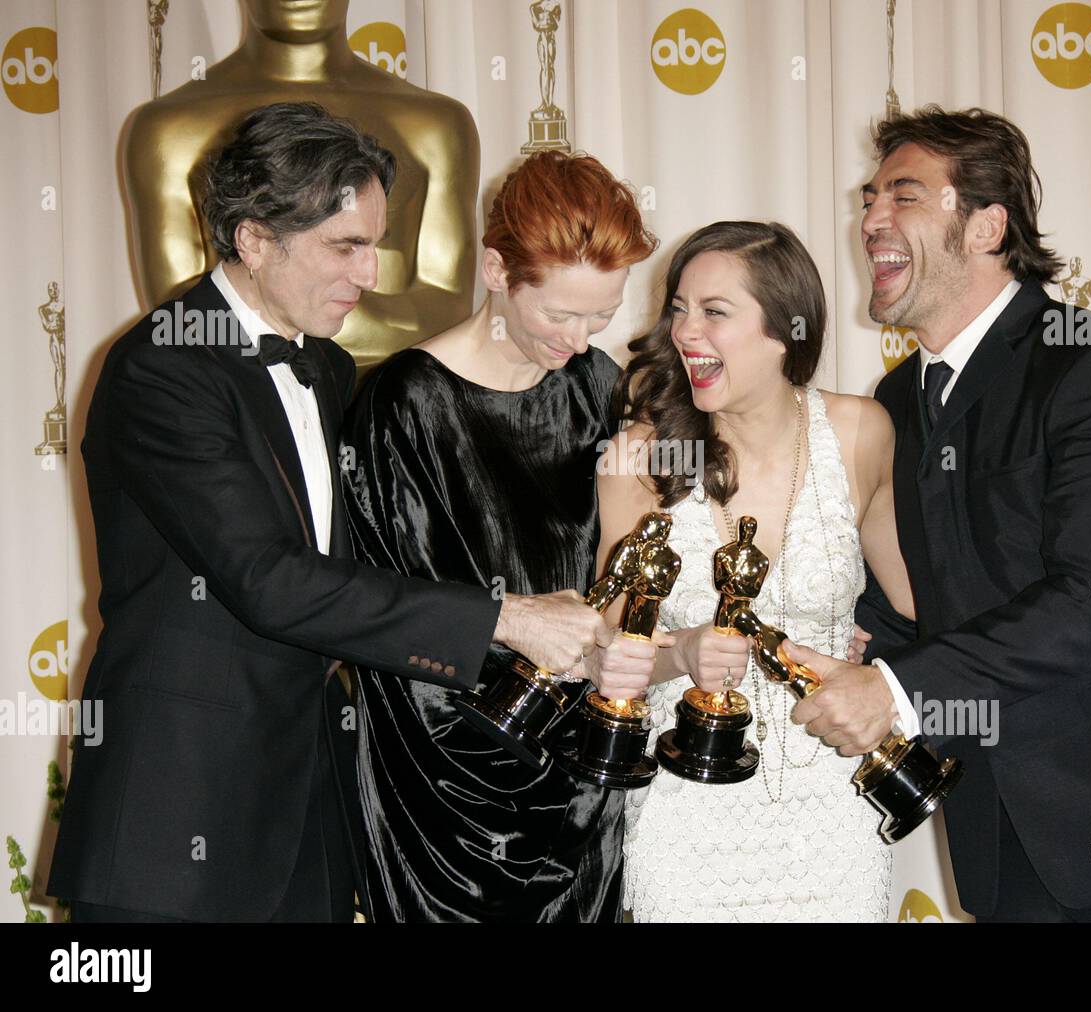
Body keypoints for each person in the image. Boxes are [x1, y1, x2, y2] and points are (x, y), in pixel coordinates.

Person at [48, 103, 606, 923]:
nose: (371, 274)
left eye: (373, 244)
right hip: (177, 816)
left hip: (309, 806)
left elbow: (371, 569)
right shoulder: (161, 367)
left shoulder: (332, 369)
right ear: (254, 239)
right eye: (345, 246)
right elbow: (270, 580)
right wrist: (506, 618)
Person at [790, 105, 1091, 922]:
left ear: (986, 225)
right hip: (997, 835)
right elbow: (936, 588)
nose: (870, 220)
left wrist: (895, 688)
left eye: (903, 196)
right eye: (869, 198)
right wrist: (859, 638)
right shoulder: (898, 398)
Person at [341, 152, 660, 922]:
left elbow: (625, 573)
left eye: (601, 316)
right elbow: (399, 627)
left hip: (584, 785)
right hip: (441, 797)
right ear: (494, 269)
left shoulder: (595, 387)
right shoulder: (400, 404)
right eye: (559, 313)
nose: (581, 340)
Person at [596, 221, 914, 922]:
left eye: (714, 311)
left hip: (832, 813)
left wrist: (869, 651)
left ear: (784, 331)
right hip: (686, 805)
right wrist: (680, 651)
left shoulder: (861, 433)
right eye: (678, 307)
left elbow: (917, 603)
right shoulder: (637, 457)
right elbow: (603, 655)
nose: (685, 331)